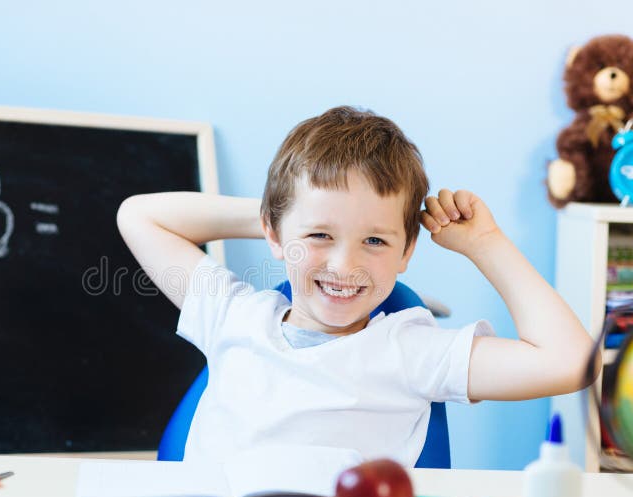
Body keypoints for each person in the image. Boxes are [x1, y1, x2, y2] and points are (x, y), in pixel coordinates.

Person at [116, 106, 595, 467]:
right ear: (274, 233)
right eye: (321, 236)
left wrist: (486, 244)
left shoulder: (410, 350)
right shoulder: (233, 313)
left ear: (408, 251)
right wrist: (285, 215)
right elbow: (138, 216)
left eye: (374, 240)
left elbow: (571, 362)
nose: (345, 264)